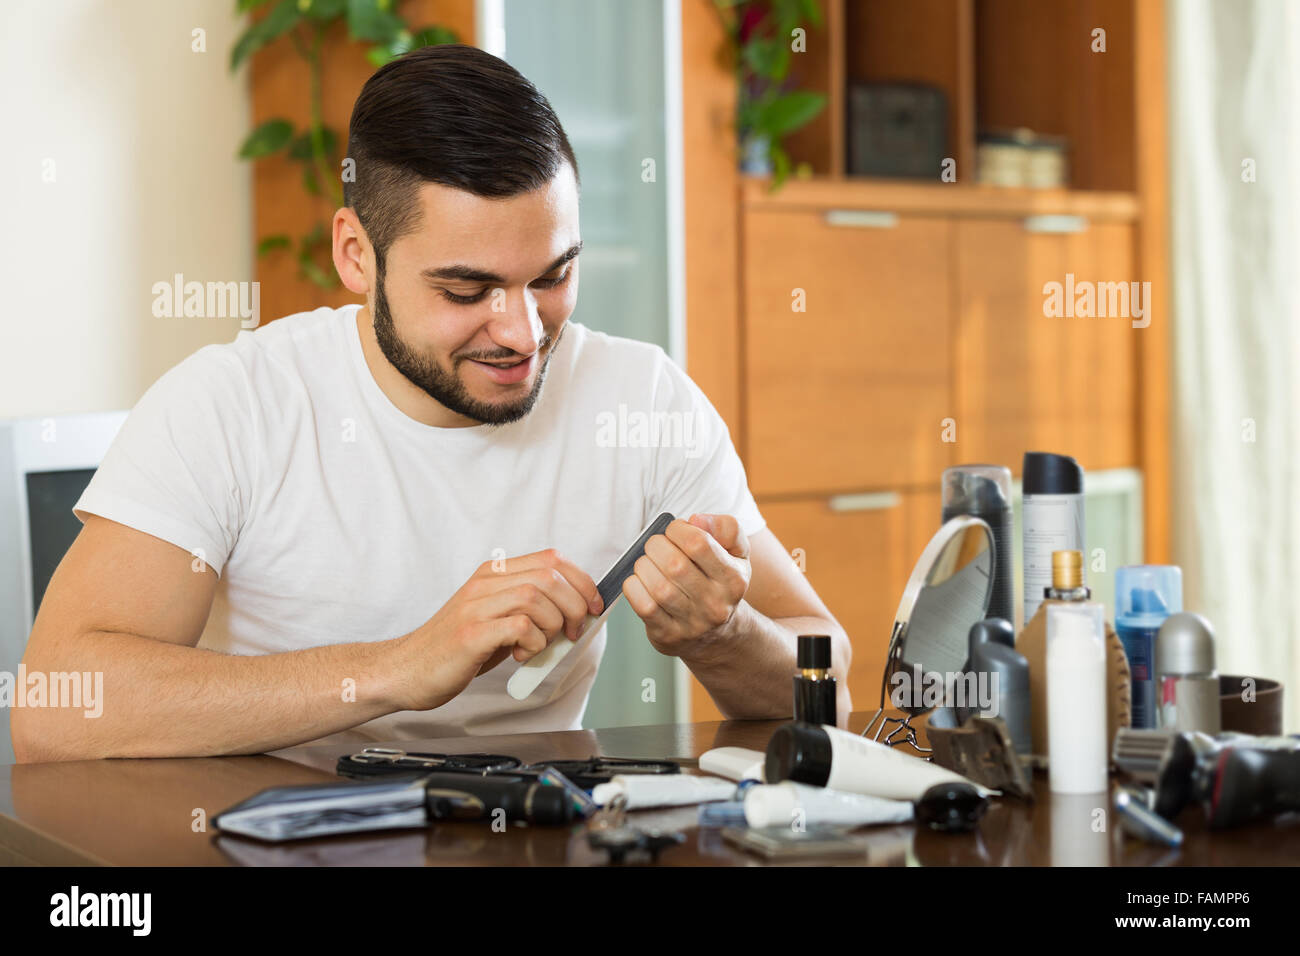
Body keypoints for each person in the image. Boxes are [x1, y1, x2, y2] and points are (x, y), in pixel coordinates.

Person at [14, 44, 850, 762]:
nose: (522, 333)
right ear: (356, 255)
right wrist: (398, 668)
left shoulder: (642, 402)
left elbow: (829, 686)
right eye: (465, 290)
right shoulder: (233, 405)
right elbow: (55, 704)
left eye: (553, 276)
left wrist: (724, 634)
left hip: (537, 833)